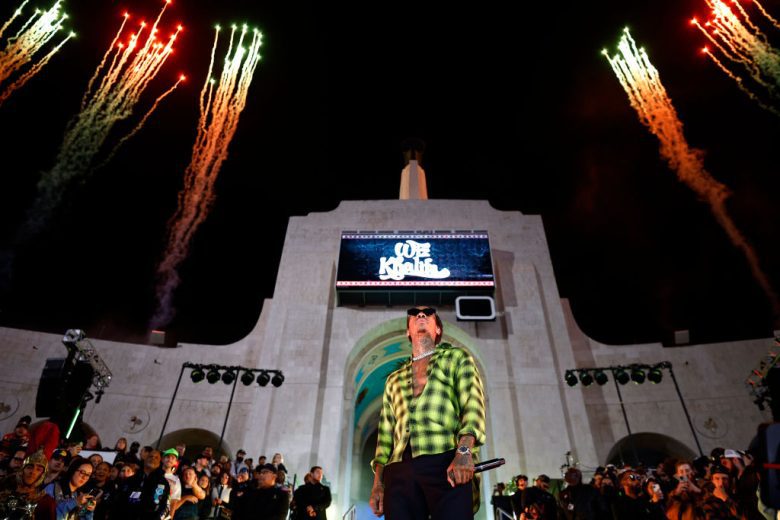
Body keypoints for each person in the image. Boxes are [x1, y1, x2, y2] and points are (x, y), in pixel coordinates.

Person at [369, 306, 487, 520]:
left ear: (438, 329)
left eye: (428, 313)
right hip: (399, 471)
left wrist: (464, 452)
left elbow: (473, 406)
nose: (420, 315)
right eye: (414, 313)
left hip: (447, 462)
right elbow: (384, 438)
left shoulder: (457, 358)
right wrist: (378, 484)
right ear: (408, 331)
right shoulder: (393, 380)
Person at [0, 449, 56, 520]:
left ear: (43, 474)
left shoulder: (46, 502)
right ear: (22, 469)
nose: (32, 472)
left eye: (38, 469)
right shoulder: (3, 487)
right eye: (29, 467)